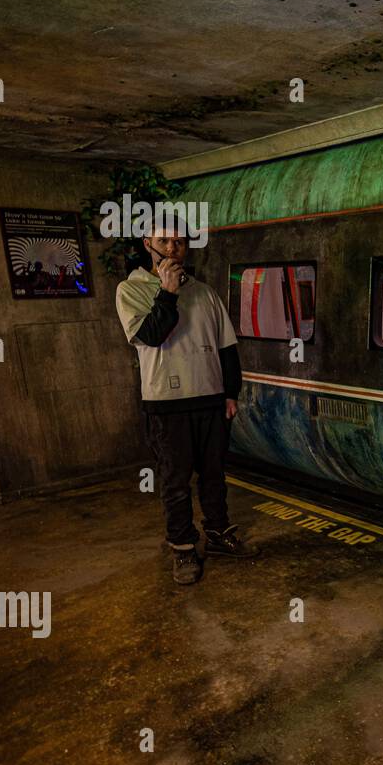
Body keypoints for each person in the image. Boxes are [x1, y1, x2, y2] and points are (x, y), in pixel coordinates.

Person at [115, 227, 258, 585]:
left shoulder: (205, 293)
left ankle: (219, 532)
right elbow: (150, 335)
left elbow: (226, 348)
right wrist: (167, 292)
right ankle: (182, 548)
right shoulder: (130, 290)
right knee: (176, 482)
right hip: (167, 403)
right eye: (164, 241)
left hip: (209, 399)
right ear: (147, 244)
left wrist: (230, 393)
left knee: (214, 475)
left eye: (180, 241)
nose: (173, 248)